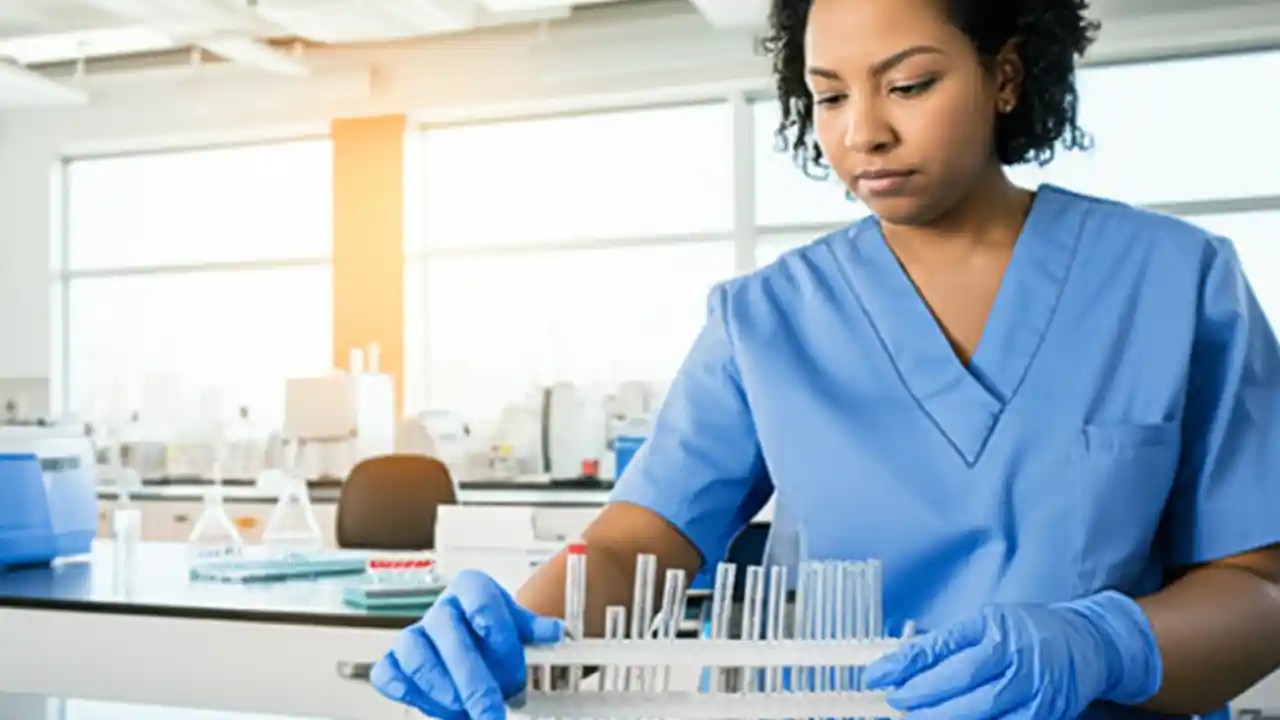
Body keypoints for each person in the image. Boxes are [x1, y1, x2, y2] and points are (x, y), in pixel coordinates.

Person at [371, 0, 1280, 717]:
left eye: (910, 85)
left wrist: (1103, 648)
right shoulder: (765, 320)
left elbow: (1259, 585)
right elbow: (637, 542)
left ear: (1005, 75)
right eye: (831, 94)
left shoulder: (1174, 281)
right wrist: (513, 627)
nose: (861, 134)